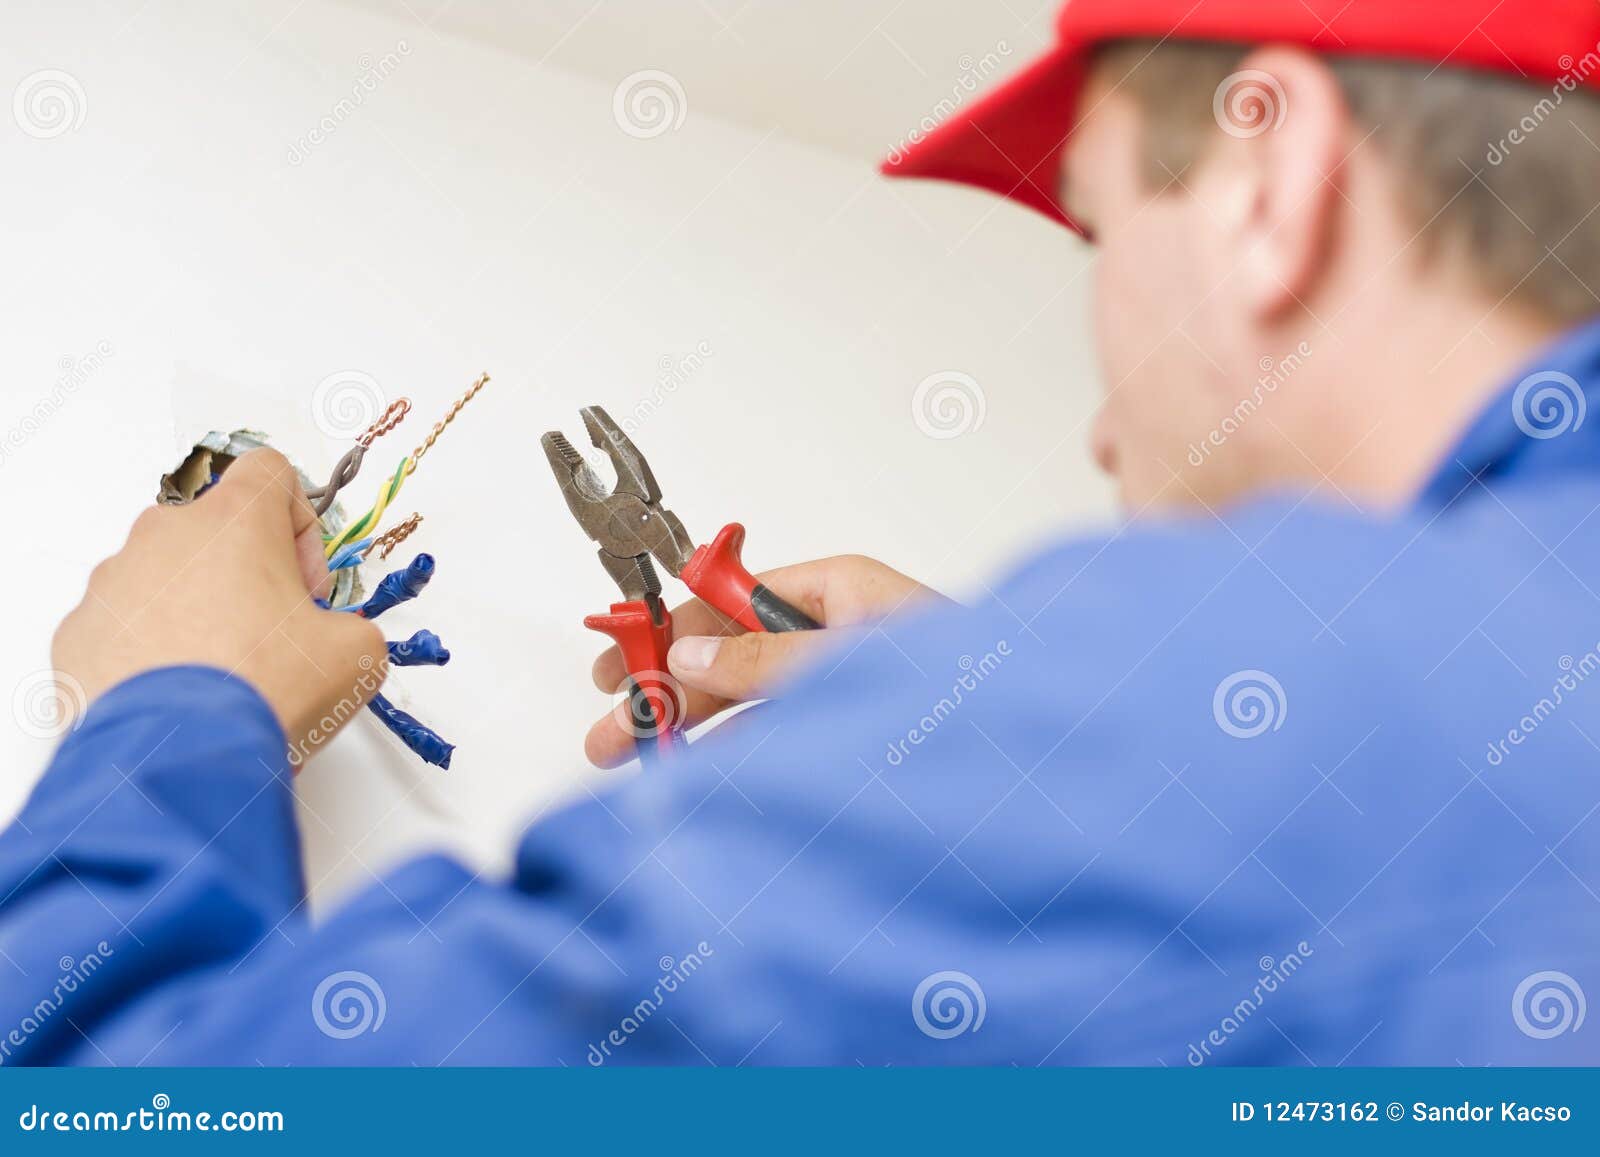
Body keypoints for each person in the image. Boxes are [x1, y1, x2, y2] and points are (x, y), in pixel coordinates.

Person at [3, 0, 1597, 1066]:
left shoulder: (1246, 710)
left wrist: (164, 708)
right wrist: (1035, 774)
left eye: (1099, 234)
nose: (1102, 431)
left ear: (1276, 183)